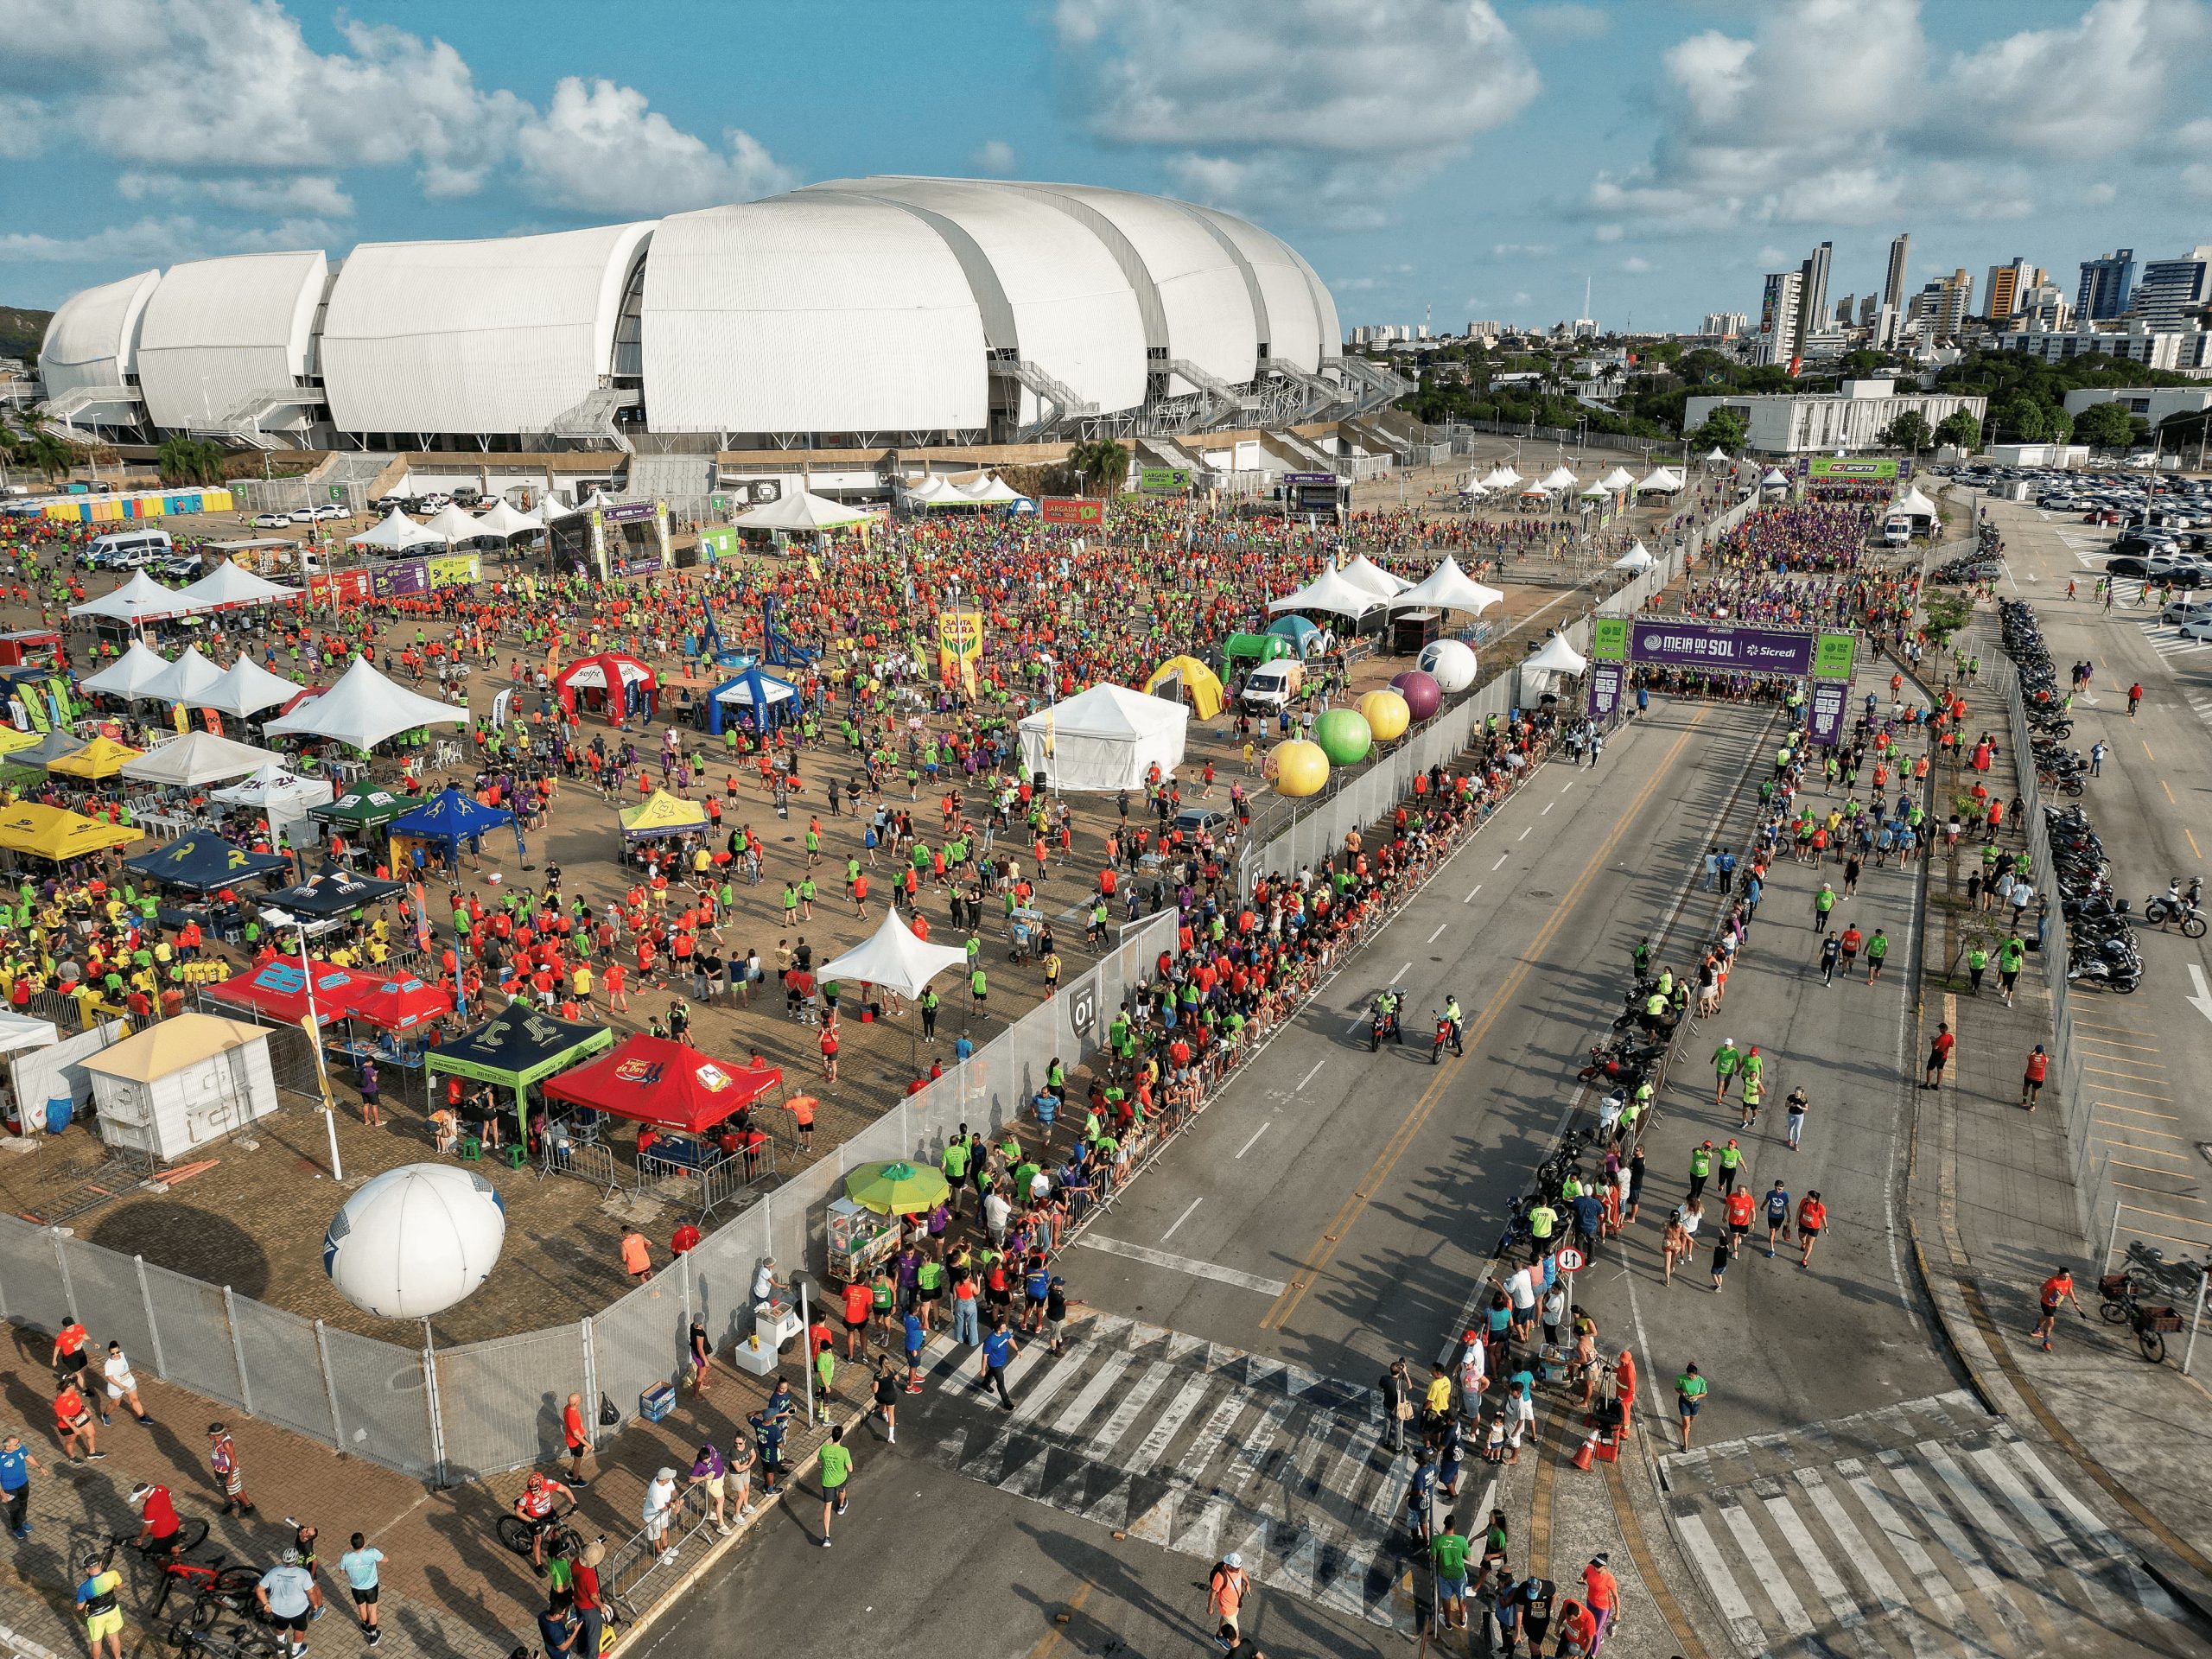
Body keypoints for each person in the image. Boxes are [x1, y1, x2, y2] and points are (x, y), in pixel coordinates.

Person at [255, 1546, 321, 1659]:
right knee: (299, 1629)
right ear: (296, 1560)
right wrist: (315, 1604)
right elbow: (311, 1592)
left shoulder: (274, 1572)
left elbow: (259, 1589)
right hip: (298, 1610)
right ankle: (295, 1652)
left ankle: (281, 1647)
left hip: (277, 1609)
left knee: (281, 1628)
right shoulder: (303, 1574)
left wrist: (266, 1604)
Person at [512, 1471, 574, 1575]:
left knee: (555, 1529)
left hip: (548, 1512)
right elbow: (518, 1512)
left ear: (541, 1485)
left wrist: (574, 1502)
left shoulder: (548, 1483)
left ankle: (554, 1548)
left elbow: (564, 1489)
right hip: (534, 1518)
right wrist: (531, 1520)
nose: (533, 1492)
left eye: (535, 1489)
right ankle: (538, 1565)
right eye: (531, 1490)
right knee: (538, 1539)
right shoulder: (526, 1497)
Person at [75, 1547, 125, 1659]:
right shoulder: (112, 1574)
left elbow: (79, 1607)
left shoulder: (84, 1587)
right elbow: (120, 1586)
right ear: (101, 1563)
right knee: (114, 1637)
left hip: (96, 1617)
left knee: (97, 1641)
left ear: (87, 1570)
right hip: (112, 1611)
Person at [338, 1533, 385, 1647]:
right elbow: (385, 1560)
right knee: (372, 1609)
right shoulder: (372, 1553)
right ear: (364, 1542)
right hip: (371, 1587)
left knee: (361, 1608)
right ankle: (373, 1635)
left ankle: (366, 1626)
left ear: (352, 1544)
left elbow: (341, 1572)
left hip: (356, 1588)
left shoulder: (346, 1557)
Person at [1431, 1514, 1472, 1632]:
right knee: (1461, 1597)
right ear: (1454, 1525)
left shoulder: (1436, 1540)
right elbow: (1468, 1558)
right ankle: (1463, 1619)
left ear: (1445, 1524)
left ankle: (1448, 1622)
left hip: (1444, 1575)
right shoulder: (1461, 1540)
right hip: (1459, 1575)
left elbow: (1433, 1558)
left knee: (1446, 1598)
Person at [1209, 1552, 1253, 1651]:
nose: (1238, 1570)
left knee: (1224, 1620)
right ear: (1229, 1566)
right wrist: (1210, 1607)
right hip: (1226, 1607)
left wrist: (1247, 1583)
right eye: (1236, 1568)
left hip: (1236, 1603)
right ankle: (1236, 1652)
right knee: (1236, 1633)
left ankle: (1219, 1636)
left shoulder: (1237, 1568)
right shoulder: (1220, 1577)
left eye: (1239, 1567)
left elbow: (1241, 1571)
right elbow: (1212, 1593)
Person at [817, 1423, 852, 1548]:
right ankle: (841, 1506)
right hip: (840, 1478)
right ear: (841, 1437)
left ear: (832, 1436)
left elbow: (819, 1459)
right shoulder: (844, 1451)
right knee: (842, 1491)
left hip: (827, 1481)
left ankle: (827, 1537)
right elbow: (850, 1469)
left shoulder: (824, 1449)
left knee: (827, 1506)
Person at [100, 1344, 150, 1426]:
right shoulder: (109, 1364)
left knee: (135, 1399)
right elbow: (110, 1378)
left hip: (129, 1382)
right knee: (115, 1404)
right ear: (110, 1353)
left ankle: (142, 1417)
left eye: (117, 1352)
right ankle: (105, 1415)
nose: (116, 1355)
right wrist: (122, 1386)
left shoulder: (122, 1355)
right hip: (116, 1387)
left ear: (119, 1350)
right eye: (113, 1353)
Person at [2034, 1265, 2082, 1352]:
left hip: (2056, 1303)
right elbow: (2041, 1289)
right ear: (2059, 1275)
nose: (2066, 1278)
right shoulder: (2053, 1281)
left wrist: (2076, 1303)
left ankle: (2036, 1330)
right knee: (2050, 1323)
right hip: (2047, 1303)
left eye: (2068, 1276)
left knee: (2045, 1317)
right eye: (2064, 1276)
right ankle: (2045, 1343)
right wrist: (2047, 1297)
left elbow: (2070, 1291)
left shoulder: (2068, 1280)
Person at [0, 1432, 38, 1539]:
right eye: (16, 1444)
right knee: (15, 1508)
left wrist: (40, 1467)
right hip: (9, 1487)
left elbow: (28, 1457)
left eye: (19, 1443)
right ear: (8, 1446)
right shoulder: (1, 1459)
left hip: (23, 1482)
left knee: (23, 1503)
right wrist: (2, 1494)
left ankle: (23, 1520)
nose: (19, 1445)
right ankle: (16, 1528)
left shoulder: (20, 1448)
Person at [128, 1482, 181, 1555]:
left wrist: (140, 1539)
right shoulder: (160, 1488)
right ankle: (178, 1564)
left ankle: (164, 1566)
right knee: (174, 1545)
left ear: (143, 1494)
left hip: (162, 1532)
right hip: (173, 1523)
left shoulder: (148, 1507)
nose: (139, 1499)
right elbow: (170, 1497)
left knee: (156, 1556)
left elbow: (148, 1526)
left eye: (139, 1497)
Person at [641, 1466, 681, 1564]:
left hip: (663, 1514)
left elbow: (674, 1492)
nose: (671, 1479)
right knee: (656, 1536)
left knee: (664, 1529)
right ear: (664, 1479)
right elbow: (663, 1508)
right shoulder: (655, 1492)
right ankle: (660, 1554)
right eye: (669, 1478)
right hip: (653, 1517)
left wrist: (677, 1502)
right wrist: (675, 1505)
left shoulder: (667, 1480)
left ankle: (666, 1548)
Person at [207, 1422, 249, 1515]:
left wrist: (230, 1477)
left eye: (210, 1434)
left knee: (237, 1490)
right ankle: (234, 1503)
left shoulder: (226, 1444)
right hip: (220, 1472)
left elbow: (233, 1460)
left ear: (216, 1435)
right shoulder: (218, 1440)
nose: (208, 1436)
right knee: (226, 1488)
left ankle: (248, 1505)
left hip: (229, 1472)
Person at [562, 1391, 592, 1487]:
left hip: (575, 1438)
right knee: (578, 1461)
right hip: (575, 1442)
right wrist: (588, 1444)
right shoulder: (572, 1415)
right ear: (575, 1403)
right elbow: (576, 1435)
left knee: (582, 1453)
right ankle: (575, 1481)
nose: (581, 1400)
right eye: (579, 1399)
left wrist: (582, 1428)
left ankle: (571, 1472)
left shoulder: (567, 1407)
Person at [1675, 1363, 1707, 1449]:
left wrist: (1695, 1396)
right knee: (1686, 1424)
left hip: (1695, 1403)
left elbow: (1704, 1393)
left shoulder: (1701, 1381)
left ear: (1696, 1375)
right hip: (1684, 1402)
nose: (1690, 1377)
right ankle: (1685, 1444)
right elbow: (1677, 1388)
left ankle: (1689, 1424)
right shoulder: (1681, 1378)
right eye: (1688, 1375)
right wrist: (1682, 1392)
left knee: (1692, 1418)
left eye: (1692, 1376)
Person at [1796, 1190, 1826, 1268]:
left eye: (1808, 1197)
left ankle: (1804, 1259)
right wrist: (1796, 1220)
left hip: (1814, 1228)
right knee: (1801, 1237)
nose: (1806, 1198)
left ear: (1814, 1199)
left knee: (1810, 1244)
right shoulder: (1804, 1201)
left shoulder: (1821, 1207)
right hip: (1803, 1224)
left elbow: (1823, 1217)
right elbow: (1799, 1209)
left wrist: (1826, 1227)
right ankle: (1803, 1243)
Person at [1762, 1180, 1792, 1259]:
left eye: (1779, 1189)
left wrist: (1789, 1215)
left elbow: (1786, 1205)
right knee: (1772, 1232)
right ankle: (1772, 1250)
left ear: (1783, 1189)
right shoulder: (1770, 1193)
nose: (1777, 1191)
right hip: (1771, 1216)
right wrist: (1762, 1206)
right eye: (1776, 1188)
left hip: (1780, 1217)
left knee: (1776, 1229)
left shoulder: (1785, 1195)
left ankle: (1773, 1235)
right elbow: (1766, 1200)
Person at [1923, 1021, 1954, 1090]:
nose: (1939, 1030)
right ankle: (1937, 1085)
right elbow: (1952, 1045)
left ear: (1943, 1029)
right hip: (1944, 1056)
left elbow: (1935, 1047)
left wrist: (1933, 1042)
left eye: (1940, 1028)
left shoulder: (1941, 1038)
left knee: (1929, 1069)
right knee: (1940, 1070)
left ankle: (1927, 1084)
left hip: (1936, 1055)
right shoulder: (1950, 1037)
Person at [2021, 1044, 2049, 1110]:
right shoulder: (2045, 1059)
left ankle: (2024, 1102)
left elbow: (2028, 1056)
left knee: (2026, 1087)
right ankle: (2032, 1106)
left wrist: (2032, 1052)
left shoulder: (2031, 1057)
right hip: (2038, 1078)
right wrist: (2044, 1053)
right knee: (2035, 1091)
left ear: (2035, 1050)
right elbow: (2047, 1058)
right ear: (2042, 1051)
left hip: (2029, 1075)